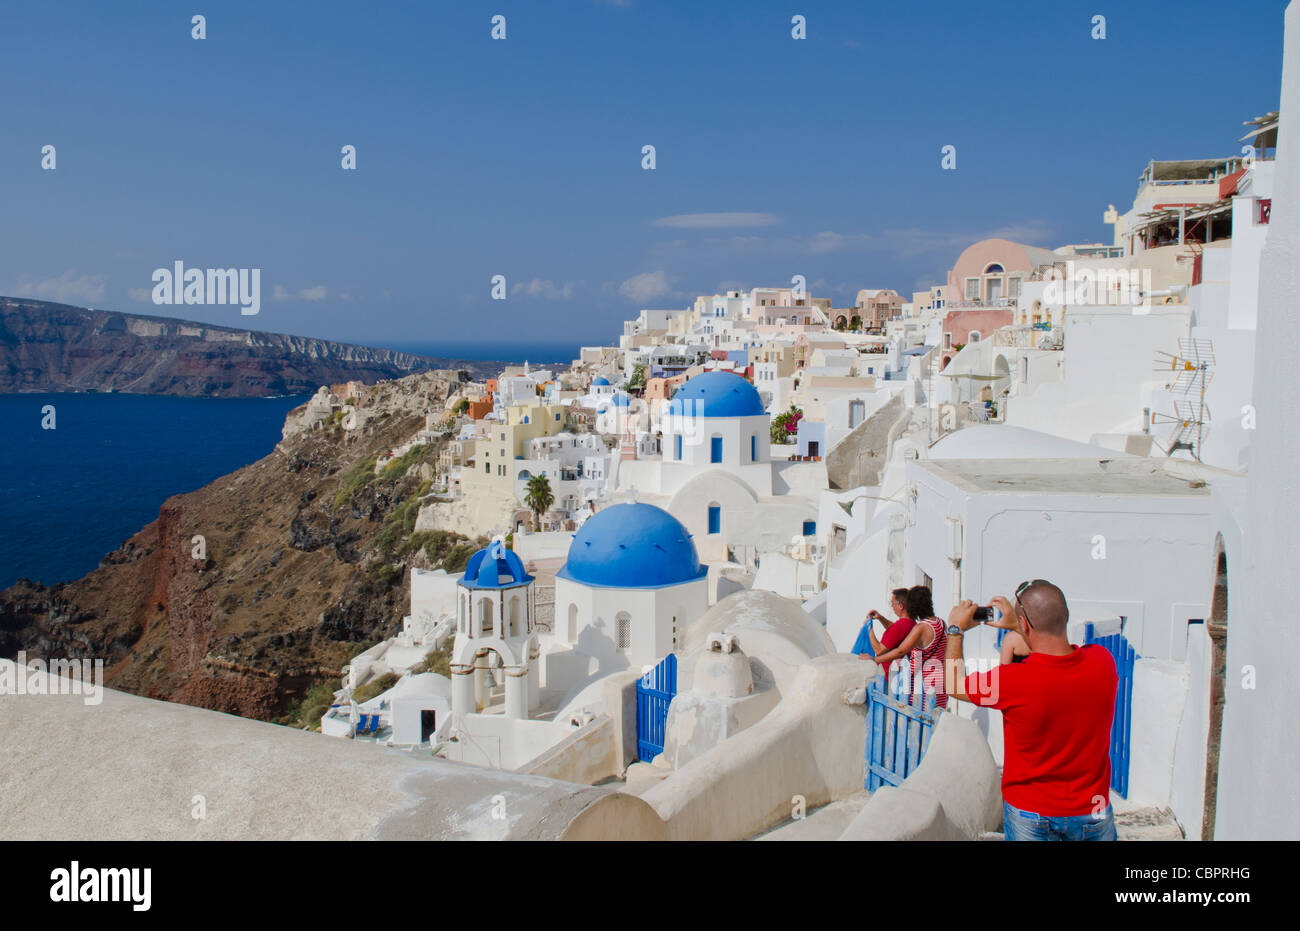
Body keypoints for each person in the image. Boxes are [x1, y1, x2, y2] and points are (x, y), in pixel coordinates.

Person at [944, 580, 1119, 842]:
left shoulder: (1011, 682)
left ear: (1025, 625)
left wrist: (956, 630)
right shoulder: (1102, 662)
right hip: (1092, 811)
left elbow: (953, 684)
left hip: (1031, 813)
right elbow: (1056, 651)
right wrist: (1021, 624)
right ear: (1066, 617)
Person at [869, 585, 948, 709]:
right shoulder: (941, 623)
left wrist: (873, 660)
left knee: (915, 724)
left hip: (921, 690)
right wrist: (882, 619)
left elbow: (900, 650)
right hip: (939, 686)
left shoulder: (920, 628)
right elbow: (899, 631)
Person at [852, 589, 913, 687]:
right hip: (902, 679)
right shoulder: (911, 623)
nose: (892, 607)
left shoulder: (900, 626)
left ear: (900, 606)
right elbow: (894, 631)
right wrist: (881, 618)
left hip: (889, 680)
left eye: (892, 603)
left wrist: (869, 628)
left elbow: (879, 650)